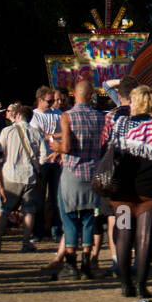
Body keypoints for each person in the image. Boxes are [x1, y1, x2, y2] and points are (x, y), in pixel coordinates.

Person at [103, 85, 152, 302]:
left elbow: (112, 152)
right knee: (144, 237)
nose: (130, 105)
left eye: (132, 101)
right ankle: (142, 287)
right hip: (150, 191)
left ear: (139, 102)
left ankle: (126, 285)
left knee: (123, 233)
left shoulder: (121, 124)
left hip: (123, 190)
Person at [54, 78, 104, 279]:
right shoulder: (101, 118)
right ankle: (86, 263)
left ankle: (70, 264)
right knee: (88, 219)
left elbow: (66, 147)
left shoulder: (67, 116)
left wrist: (55, 146)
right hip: (93, 173)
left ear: (75, 95)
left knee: (69, 219)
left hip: (72, 173)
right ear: (91, 96)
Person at [0, 105, 44, 253]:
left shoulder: (7, 131)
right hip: (30, 176)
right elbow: (44, 156)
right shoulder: (37, 133)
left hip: (10, 175)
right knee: (29, 211)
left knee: (3, 209)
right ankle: (26, 242)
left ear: (16, 116)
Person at [30, 86, 62, 241]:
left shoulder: (59, 114)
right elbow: (37, 135)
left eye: (53, 101)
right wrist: (53, 137)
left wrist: (51, 136)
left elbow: (65, 132)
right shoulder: (34, 116)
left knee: (56, 198)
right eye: (49, 101)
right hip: (41, 161)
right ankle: (38, 231)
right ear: (40, 100)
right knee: (39, 199)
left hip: (56, 160)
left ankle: (56, 230)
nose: (52, 104)